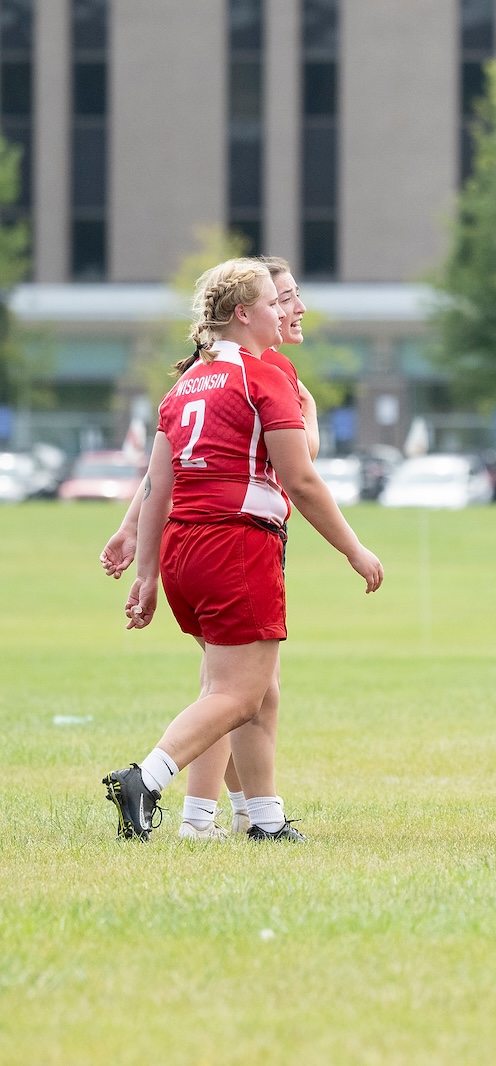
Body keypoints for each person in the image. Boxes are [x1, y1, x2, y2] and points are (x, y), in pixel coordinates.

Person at [101, 258, 383, 842]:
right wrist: (354, 549)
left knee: (246, 690)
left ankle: (262, 820)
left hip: (184, 547)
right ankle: (149, 781)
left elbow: (158, 484)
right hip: (236, 542)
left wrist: (149, 572)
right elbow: (300, 478)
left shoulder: (184, 385)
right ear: (243, 313)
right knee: (236, 693)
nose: (284, 310)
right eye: (274, 301)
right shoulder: (263, 377)